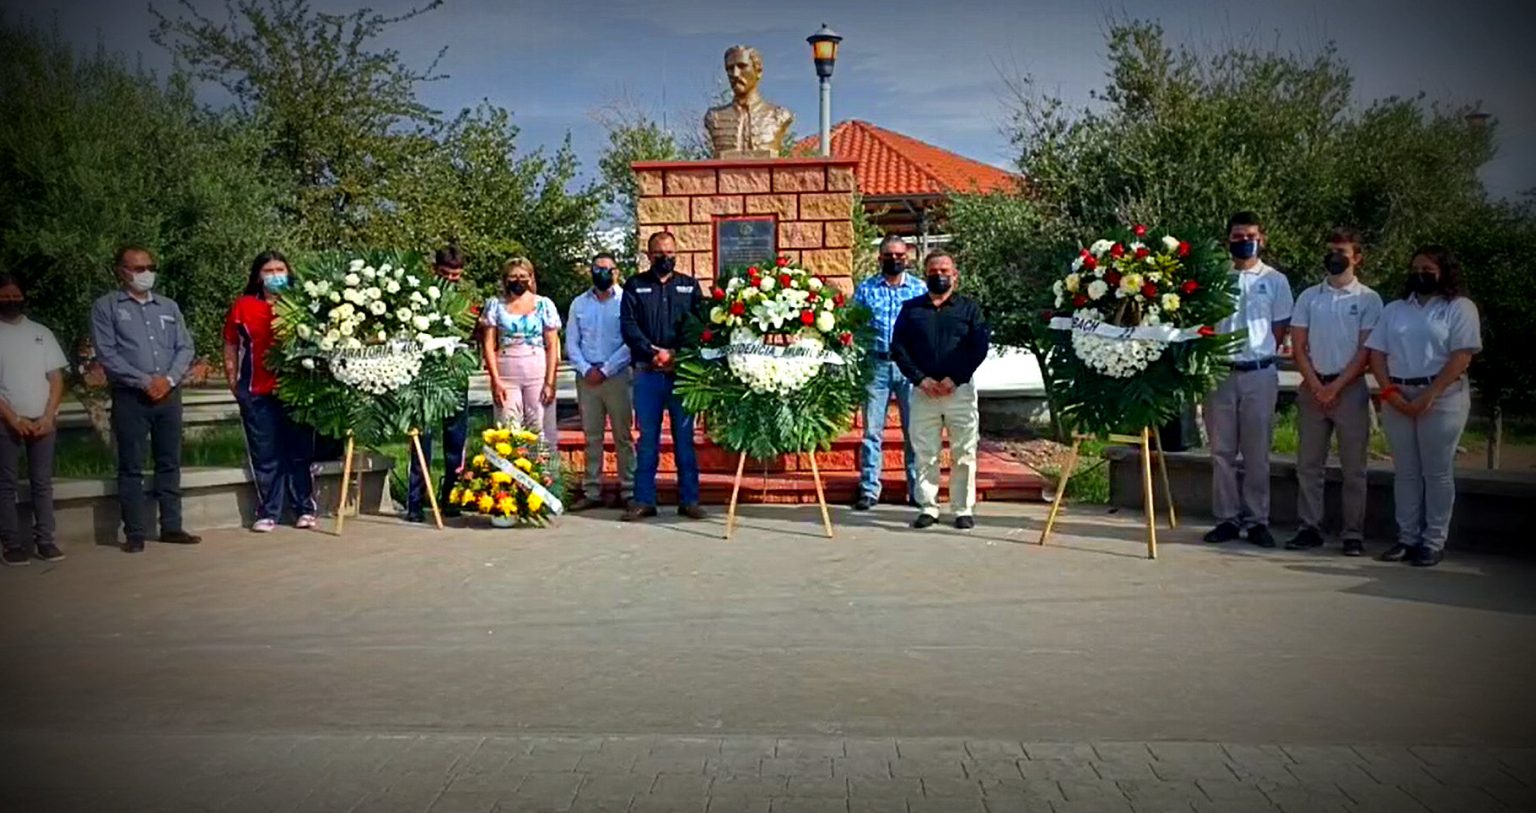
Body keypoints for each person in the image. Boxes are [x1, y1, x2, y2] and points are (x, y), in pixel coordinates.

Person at [1366, 246, 1481, 568]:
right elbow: (1376, 353)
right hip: (1398, 392)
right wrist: (1390, 392)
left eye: (1428, 268)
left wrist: (1431, 394)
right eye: (1416, 268)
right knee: (1405, 472)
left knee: (1437, 472)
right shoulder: (1395, 310)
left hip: (1443, 396)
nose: (1421, 274)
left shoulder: (1459, 308)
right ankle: (1407, 538)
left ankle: (1433, 541)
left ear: (1444, 271)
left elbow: (1462, 355)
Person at [90, 245, 202, 553]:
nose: (146, 273)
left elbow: (185, 347)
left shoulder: (168, 307)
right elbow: (107, 353)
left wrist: (167, 380)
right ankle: (135, 533)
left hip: (168, 394)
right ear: (121, 272)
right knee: (131, 465)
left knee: (169, 461)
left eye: (150, 267)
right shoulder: (107, 307)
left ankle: (172, 527)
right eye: (138, 268)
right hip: (131, 397)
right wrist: (143, 382)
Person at [1285, 229, 1384, 557]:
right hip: (1313, 387)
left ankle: (1352, 532)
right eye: (1330, 250)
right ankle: (1308, 526)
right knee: (1308, 464)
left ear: (1356, 257)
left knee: (1354, 467)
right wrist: (1316, 385)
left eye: (1341, 251)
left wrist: (1336, 386)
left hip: (1350, 389)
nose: (1334, 256)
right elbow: (1298, 346)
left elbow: (1366, 350)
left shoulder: (1368, 299)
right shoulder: (1309, 296)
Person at [1202, 212, 1294, 548]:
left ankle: (1257, 520)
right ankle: (1226, 518)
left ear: (1262, 238)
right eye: (1238, 236)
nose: (1244, 242)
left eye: (1250, 235)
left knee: (1257, 452)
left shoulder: (1275, 280)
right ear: (1228, 240)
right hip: (1221, 372)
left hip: (1259, 372)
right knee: (1221, 452)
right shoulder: (1215, 278)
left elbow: (1279, 328)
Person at [891, 250, 990, 530]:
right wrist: (920, 379)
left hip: (959, 392)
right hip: (923, 392)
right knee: (925, 452)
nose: (940, 275)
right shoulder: (911, 310)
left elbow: (979, 347)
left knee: (964, 450)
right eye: (934, 271)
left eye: (945, 271)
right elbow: (899, 348)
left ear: (955, 276)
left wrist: (954, 379)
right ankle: (928, 506)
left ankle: (962, 508)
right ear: (925, 276)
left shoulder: (969, 309)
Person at [223, 251, 317, 533]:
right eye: (268, 270)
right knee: (266, 453)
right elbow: (230, 343)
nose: (275, 275)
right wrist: (232, 378)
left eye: (280, 269)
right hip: (257, 390)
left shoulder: (304, 305)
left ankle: (304, 508)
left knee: (299, 452)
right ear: (257, 276)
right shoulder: (244, 306)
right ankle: (268, 511)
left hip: (296, 391)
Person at [619, 232, 706, 522]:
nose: (664, 257)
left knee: (685, 439)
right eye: (658, 253)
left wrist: (677, 355)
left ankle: (689, 499)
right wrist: (652, 352)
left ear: (676, 252)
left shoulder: (689, 286)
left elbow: (701, 327)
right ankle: (644, 499)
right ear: (648, 254)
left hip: (682, 375)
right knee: (647, 440)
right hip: (648, 373)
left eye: (669, 252)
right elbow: (629, 327)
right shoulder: (635, 285)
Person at [851, 235, 926, 511]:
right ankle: (870, 489)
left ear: (907, 258)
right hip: (876, 365)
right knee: (872, 432)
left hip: (910, 368)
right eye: (888, 255)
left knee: (913, 430)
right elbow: (853, 326)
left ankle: (916, 489)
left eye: (899, 255)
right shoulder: (866, 290)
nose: (894, 259)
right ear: (879, 258)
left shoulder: (919, 290)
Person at [0, 275, 67, 565]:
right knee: (6, 484)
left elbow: (55, 378)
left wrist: (49, 415)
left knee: (42, 482)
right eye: (5, 296)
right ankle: (12, 544)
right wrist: (12, 418)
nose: (11, 300)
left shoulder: (41, 332)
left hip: (43, 421)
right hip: (6, 422)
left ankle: (46, 541)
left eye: (16, 295)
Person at [406, 246, 473, 523]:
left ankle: (451, 498)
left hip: (455, 377)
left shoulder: (467, 302)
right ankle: (415, 502)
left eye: (457, 275)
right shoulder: (419, 298)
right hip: (424, 377)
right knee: (421, 439)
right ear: (435, 270)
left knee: (455, 441)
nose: (451, 279)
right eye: (446, 273)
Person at [565, 253, 635, 511]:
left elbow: (631, 341)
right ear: (591, 271)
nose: (603, 273)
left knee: (623, 436)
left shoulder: (626, 300)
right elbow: (571, 342)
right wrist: (586, 369)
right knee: (591, 436)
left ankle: (629, 489)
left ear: (616, 272)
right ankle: (592, 490)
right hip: (587, 378)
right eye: (598, 268)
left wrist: (606, 369)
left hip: (616, 375)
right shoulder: (578, 304)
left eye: (608, 269)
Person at [480, 257, 562, 441]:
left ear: (531, 278)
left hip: (537, 372)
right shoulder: (495, 305)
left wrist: (550, 382)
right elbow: (488, 344)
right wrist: (495, 381)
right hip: (506, 373)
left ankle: (543, 469)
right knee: (507, 429)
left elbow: (552, 344)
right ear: (505, 279)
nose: (518, 280)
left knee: (540, 427)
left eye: (523, 276)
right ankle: (509, 469)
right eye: (513, 277)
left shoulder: (544, 304)